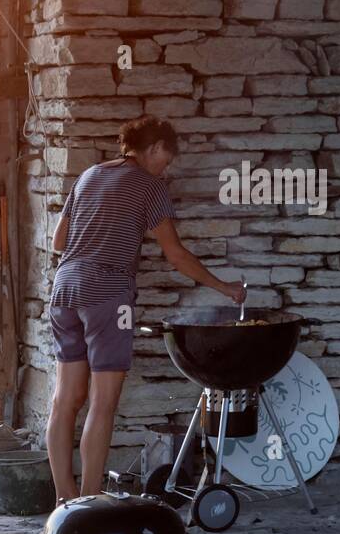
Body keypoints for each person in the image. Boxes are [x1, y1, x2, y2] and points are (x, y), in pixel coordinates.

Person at [45, 115, 246, 504]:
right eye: (165, 160)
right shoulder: (152, 186)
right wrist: (224, 287)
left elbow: (58, 241)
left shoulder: (88, 175)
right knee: (103, 402)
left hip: (64, 289)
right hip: (108, 293)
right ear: (154, 148)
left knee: (64, 400)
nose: (165, 168)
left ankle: (63, 502)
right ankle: (89, 504)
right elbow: (175, 254)